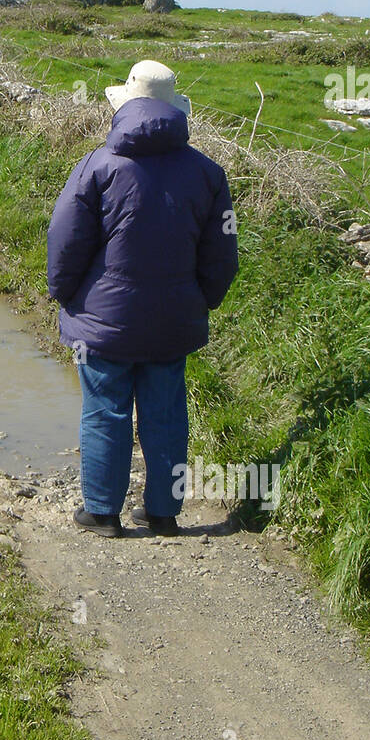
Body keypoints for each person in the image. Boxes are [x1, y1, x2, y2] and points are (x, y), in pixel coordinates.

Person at [47, 60, 239, 537]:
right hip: (173, 322)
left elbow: (65, 239)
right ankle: (163, 513)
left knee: (104, 409)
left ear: (124, 105)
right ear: (176, 110)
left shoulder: (97, 166)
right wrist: (202, 301)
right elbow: (222, 253)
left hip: (103, 321)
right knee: (166, 413)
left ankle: (103, 512)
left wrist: (64, 293)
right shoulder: (208, 174)